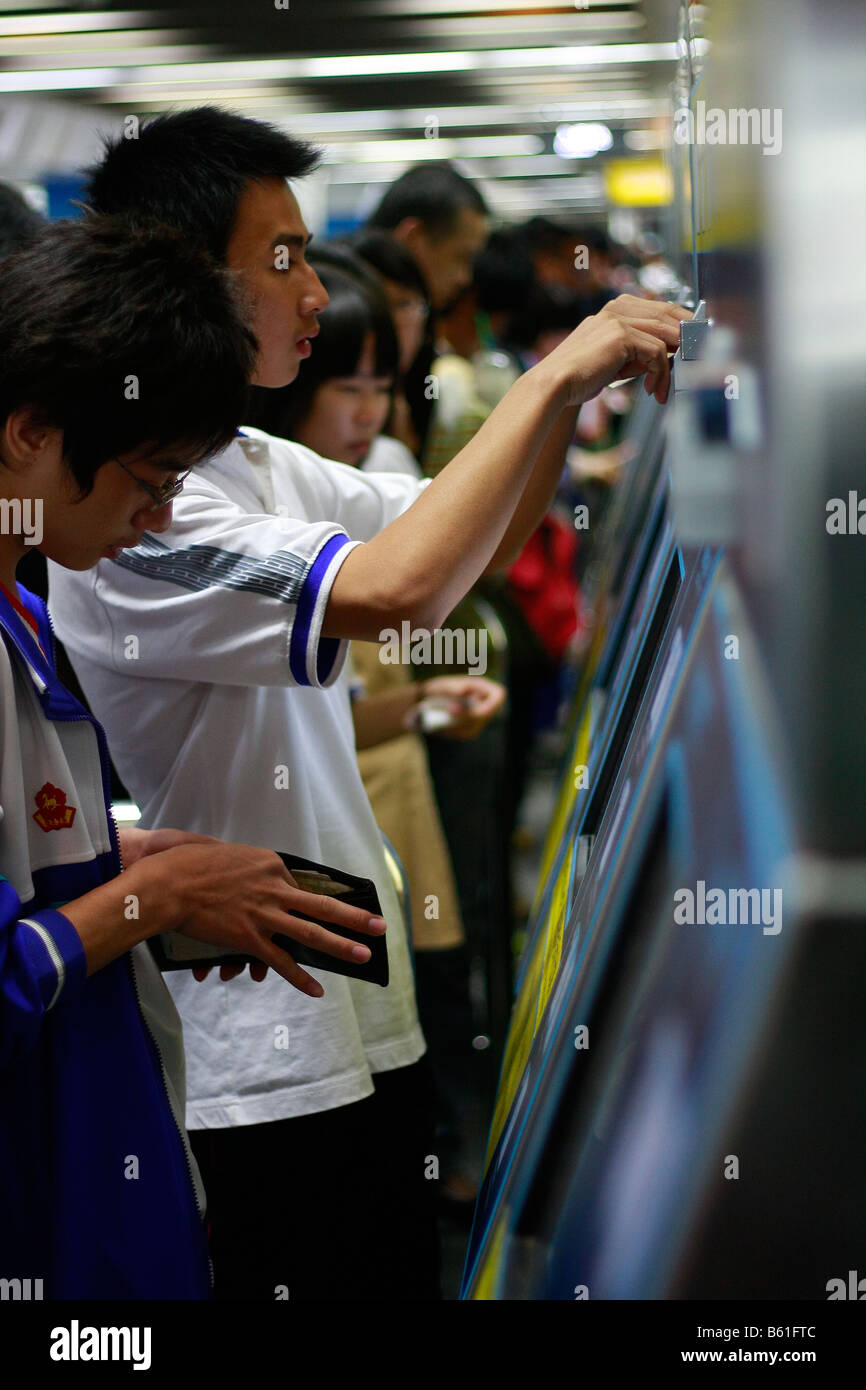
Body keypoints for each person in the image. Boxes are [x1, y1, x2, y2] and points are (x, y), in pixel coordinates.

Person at [47, 106, 688, 1301]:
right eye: (278, 259)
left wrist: (554, 401)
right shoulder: (154, 513)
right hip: (254, 1048)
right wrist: (554, 371)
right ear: (180, 279)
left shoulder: (250, 458)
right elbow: (396, 592)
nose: (306, 291)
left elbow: (468, 539)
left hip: (345, 989)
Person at [0, 217, 387, 1299]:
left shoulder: (23, 618)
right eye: (149, 476)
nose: (160, 516)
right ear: (30, 433)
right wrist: (155, 892)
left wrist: (126, 868)